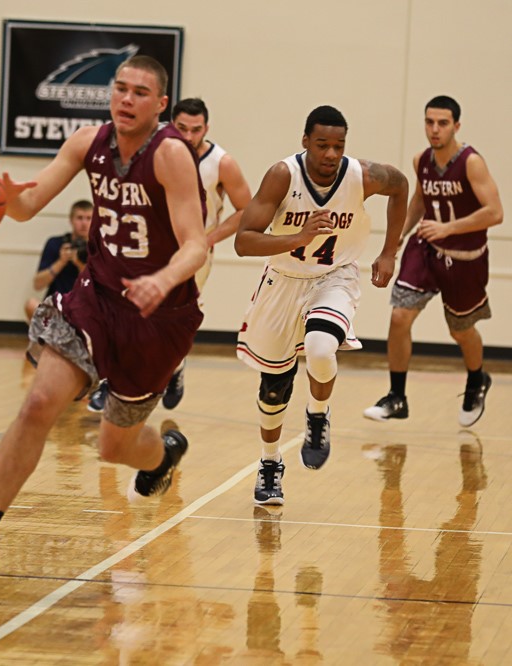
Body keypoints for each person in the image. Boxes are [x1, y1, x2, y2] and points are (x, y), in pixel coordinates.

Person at [0, 55, 208, 586]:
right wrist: (4, 193)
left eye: (139, 92)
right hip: (95, 299)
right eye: (119, 88)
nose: (125, 99)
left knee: (115, 448)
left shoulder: (171, 155)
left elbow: (196, 243)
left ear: (160, 105)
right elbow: (28, 205)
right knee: (40, 402)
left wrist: (161, 279)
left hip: (158, 316)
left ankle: (161, 458)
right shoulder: (87, 142)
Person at [234, 105, 407, 506]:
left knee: (321, 347)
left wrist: (389, 253)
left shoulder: (361, 175)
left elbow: (400, 186)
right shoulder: (282, 176)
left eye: (339, 145)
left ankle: (317, 413)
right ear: (306, 142)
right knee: (274, 388)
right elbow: (244, 241)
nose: (331, 154)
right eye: (323, 145)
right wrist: (297, 237)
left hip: (335, 277)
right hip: (282, 282)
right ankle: (270, 462)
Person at [363, 96, 503, 427]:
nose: (434, 129)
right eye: (429, 122)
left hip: (464, 258)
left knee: (462, 331)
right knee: (399, 317)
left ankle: (476, 379)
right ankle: (397, 397)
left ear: (456, 125)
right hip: (425, 250)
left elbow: (495, 212)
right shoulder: (421, 160)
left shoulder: (471, 163)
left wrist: (448, 228)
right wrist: (399, 235)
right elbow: (419, 201)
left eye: (442, 123)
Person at [161, 97, 253, 409]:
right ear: (171, 125)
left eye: (195, 130)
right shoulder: (156, 151)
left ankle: (174, 367)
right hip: (154, 243)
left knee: (177, 315)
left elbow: (247, 210)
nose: (188, 136)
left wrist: (210, 238)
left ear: (206, 128)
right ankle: (116, 381)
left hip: (193, 249)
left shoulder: (221, 162)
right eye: (181, 128)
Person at [23, 199, 92, 321]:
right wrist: (61, 261)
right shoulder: (56, 243)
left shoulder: (99, 247)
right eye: (80, 218)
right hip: (57, 308)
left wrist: (79, 264)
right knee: (31, 305)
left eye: (88, 218)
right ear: (71, 220)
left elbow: (98, 288)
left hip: (85, 309)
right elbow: (38, 284)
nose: (84, 223)